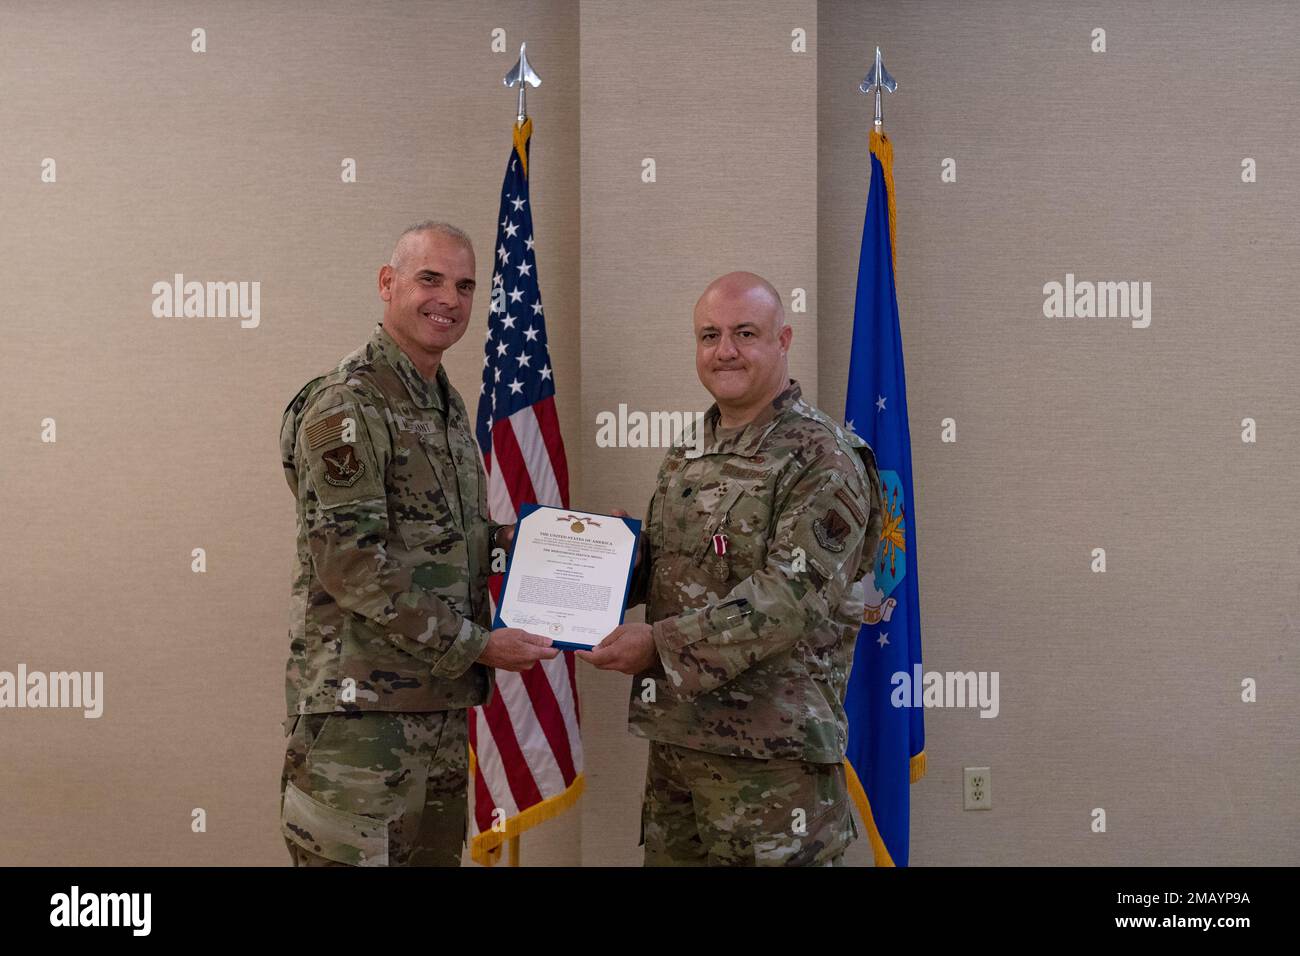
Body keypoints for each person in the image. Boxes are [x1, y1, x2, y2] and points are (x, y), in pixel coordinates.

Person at [579, 271, 885, 866]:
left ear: (782, 339)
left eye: (745, 333)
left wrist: (657, 647)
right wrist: (613, 559)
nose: (725, 351)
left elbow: (788, 601)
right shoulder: (690, 451)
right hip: (679, 746)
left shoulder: (823, 456)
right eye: (709, 335)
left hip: (774, 765)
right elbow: (678, 575)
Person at [277, 221, 556, 867]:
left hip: (436, 709)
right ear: (387, 283)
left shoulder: (444, 404)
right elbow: (352, 564)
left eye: (464, 286)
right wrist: (478, 645)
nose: (449, 300)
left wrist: (556, 544)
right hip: (360, 721)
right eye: (430, 279)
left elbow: (453, 543)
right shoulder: (347, 405)